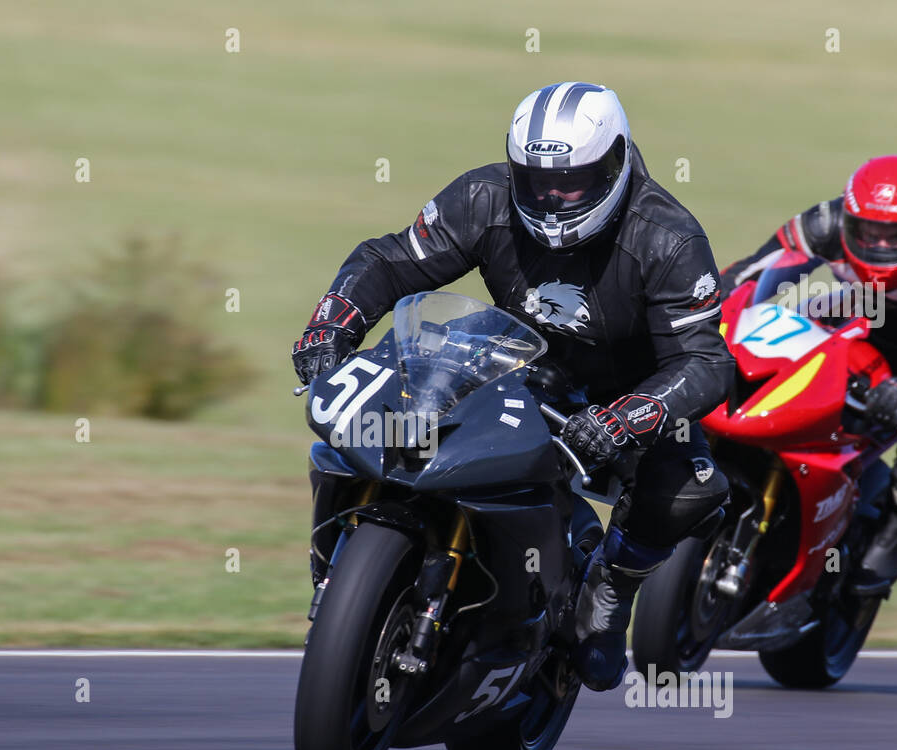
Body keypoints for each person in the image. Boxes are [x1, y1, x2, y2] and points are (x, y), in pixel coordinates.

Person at [291, 81, 733, 691]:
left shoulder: (669, 237)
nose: (550, 196)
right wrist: (332, 321)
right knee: (377, 409)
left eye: (569, 181)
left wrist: (628, 418)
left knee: (690, 487)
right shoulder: (482, 195)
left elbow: (705, 361)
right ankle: (342, 562)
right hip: (510, 358)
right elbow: (393, 260)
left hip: (624, 397)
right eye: (535, 179)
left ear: (614, 166)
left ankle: (608, 591)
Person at [719, 155, 897, 595]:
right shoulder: (827, 219)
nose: (884, 247)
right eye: (872, 233)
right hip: (855, 316)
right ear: (851, 219)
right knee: (774, 327)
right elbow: (746, 275)